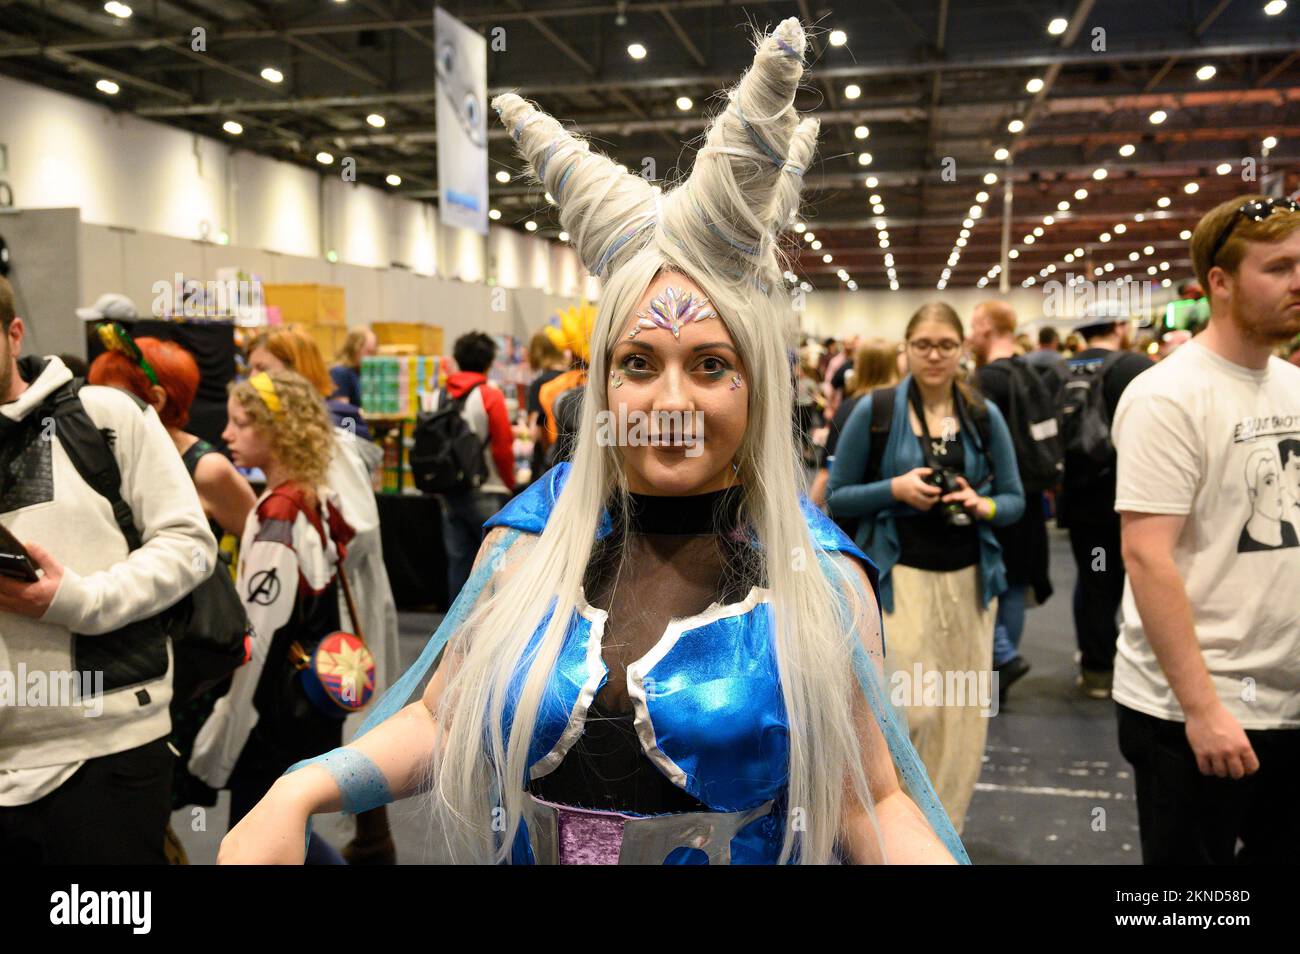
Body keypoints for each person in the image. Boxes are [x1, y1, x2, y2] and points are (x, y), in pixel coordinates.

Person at [218, 18, 968, 866]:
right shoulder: (527, 544)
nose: (669, 400)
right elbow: (442, 714)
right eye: (638, 362)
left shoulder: (818, 576)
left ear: (755, 387)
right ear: (601, 378)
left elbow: (868, 800)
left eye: (710, 363)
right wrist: (303, 787)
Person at [0, 276, 216, 863]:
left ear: (13, 333)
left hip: (104, 750)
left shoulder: (102, 416)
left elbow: (190, 544)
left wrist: (75, 599)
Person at [1112, 194, 1300, 864]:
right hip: (1195, 712)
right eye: (1278, 267)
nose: (1298, 282)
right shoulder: (1168, 396)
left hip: (1286, 702)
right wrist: (1203, 709)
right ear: (1219, 282)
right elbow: (1145, 557)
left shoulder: (1292, 386)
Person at [829, 302, 1025, 833]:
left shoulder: (983, 416)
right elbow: (838, 495)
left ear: (963, 350)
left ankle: (946, 833)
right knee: (907, 714)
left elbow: (1014, 499)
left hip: (969, 584)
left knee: (961, 724)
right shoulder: (877, 411)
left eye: (945, 345)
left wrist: (978, 504)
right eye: (923, 345)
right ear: (907, 349)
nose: (934, 355)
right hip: (900, 582)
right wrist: (895, 489)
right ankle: (900, 829)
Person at [245, 324, 402, 862]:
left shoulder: (330, 432)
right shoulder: (316, 431)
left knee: (353, 712)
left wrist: (304, 517)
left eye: (267, 370)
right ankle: (367, 838)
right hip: (322, 589)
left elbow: (359, 524)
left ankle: (373, 839)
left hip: (338, 592)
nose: (257, 381)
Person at [88, 332, 259, 826]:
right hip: (123, 634)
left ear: (156, 400)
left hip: (186, 645)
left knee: (154, 793)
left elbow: (262, 544)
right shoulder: (103, 455)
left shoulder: (205, 468)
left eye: (110, 394)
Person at [188, 370, 357, 863]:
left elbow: (257, 637)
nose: (226, 435)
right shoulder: (313, 498)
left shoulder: (280, 513)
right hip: (307, 697)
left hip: (274, 710)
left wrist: (226, 726)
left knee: (256, 834)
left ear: (278, 431)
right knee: (285, 827)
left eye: (242, 424)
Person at [1055, 309, 1153, 699]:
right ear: (1120, 327)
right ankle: (1142, 665)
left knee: (1095, 578)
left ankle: (1096, 670)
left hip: (1082, 505)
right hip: (1136, 499)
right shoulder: (1136, 367)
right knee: (1145, 576)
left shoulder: (1060, 370)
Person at [969, 300, 1054, 700]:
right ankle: (1002, 671)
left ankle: (995, 666)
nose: (970, 334)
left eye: (972, 325)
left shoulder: (984, 381)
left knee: (988, 582)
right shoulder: (1031, 371)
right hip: (1032, 495)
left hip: (994, 497)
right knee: (1015, 586)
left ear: (986, 327)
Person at [436, 331, 517, 603]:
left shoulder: (440, 394)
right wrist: (510, 482)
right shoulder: (489, 396)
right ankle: (486, 633)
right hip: (488, 489)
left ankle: (453, 634)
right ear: (489, 361)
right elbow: (503, 447)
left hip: (449, 488)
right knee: (492, 566)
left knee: (458, 563)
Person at [810, 337, 897, 511]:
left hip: (857, 518)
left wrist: (809, 523)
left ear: (860, 366)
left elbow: (827, 471)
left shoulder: (851, 408)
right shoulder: (906, 407)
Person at [248, 326, 369, 441]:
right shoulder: (264, 418)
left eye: (262, 368)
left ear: (296, 369)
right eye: (251, 369)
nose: (252, 377)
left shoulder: (344, 420)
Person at [524, 329, 566, 484]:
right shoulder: (574, 379)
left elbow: (535, 430)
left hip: (548, 465)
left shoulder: (541, 384)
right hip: (573, 462)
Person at [330, 325, 378, 408]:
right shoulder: (340, 372)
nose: (371, 358)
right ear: (354, 349)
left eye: (373, 353)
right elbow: (342, 411)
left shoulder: (366, 372)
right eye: (368, 352)